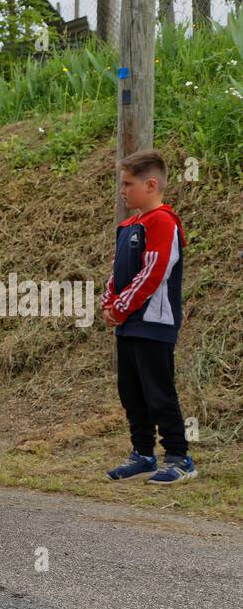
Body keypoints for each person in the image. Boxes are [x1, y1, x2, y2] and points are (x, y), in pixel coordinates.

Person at [101, 149, 195, 485]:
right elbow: (118, 272)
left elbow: (153, 272)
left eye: (128, 184)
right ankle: (142, 453)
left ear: (151, 184)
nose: (123, 190)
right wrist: (108, 304)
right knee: (131, 392)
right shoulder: (128, 225)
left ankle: (179, 456)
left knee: (159, 392)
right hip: (127, 325)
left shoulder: (163, 222)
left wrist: (121, 307)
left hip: (154, 324)